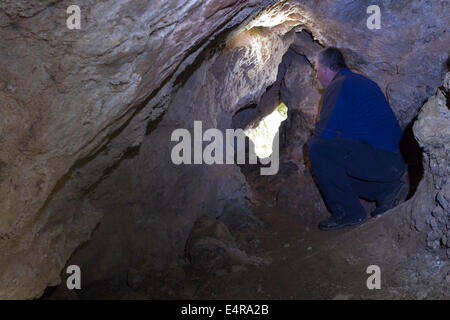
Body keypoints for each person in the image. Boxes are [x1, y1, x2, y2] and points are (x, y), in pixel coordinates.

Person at [307, 47, 407, 231]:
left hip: (383, 158)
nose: (316, 77)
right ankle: (388, 190)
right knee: (335, 162)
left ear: (325, 68)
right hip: (393, 159)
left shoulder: (339, 84)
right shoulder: (361, 82)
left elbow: (324, 133)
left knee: (316, 148)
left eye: (316, 71)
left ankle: (347, 212)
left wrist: (313, 159)